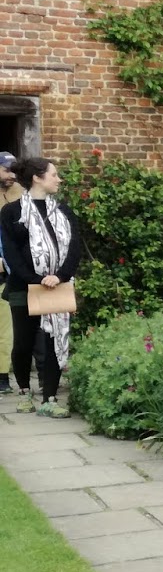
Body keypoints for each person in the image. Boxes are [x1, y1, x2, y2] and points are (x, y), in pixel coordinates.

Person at [1, 158, 82, 417]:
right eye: (54, 175)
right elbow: (11, 253)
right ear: (38, 177)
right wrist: (35, 280)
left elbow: (74, 249)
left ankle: (49, 398)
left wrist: (59, 276)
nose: (59, 180)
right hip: (23, 287)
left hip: (55, 287)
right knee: (23, 343)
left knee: (52, 341)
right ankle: (24, 392)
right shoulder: (12, 213)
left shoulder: (63, 211)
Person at [0, 153, 21, 393]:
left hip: (6, 273)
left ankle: (3, 377)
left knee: (5, 330)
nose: (12, 175)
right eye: (7, 170)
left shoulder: (20, 193)